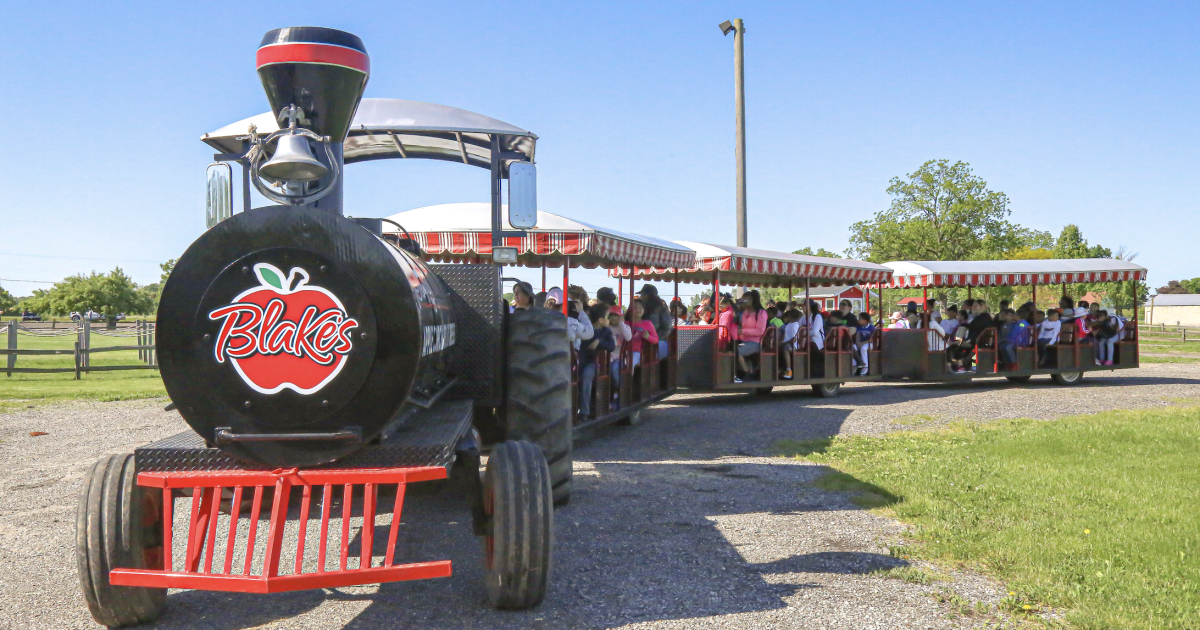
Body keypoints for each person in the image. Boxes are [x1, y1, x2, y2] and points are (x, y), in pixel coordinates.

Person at [578, 303, 616, 419]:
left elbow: (612, 346)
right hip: (581, 361)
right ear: (600, 320)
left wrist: (599, 342)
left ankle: (584, 411)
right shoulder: (584, 329)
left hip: (594, 363)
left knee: (586, 376)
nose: (609, 319)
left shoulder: (606, 331)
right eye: (608, 317)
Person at [735, 290, 768, 381]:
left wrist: (742, 331)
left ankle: (747, 373)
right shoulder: (745, 312)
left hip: (756, 342)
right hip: (744, 341)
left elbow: (760, 331)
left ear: (752, 300)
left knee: (737, 351)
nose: (742, 302)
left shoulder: (761, 313)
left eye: (744, 301)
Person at [637, 285, 672, 360]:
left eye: (641, 295)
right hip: (641, 340)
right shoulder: (640, 309)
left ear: (647, 296)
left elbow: (667, 328)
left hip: (659, 341)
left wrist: (653, 338)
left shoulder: (661, 308)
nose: (640, 297)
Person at [625, 298, 659, 368]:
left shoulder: (647, 324)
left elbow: (656, 340)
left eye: (640, 308)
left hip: (637, 352)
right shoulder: (625, 323)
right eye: (635, 307)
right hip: (624, 351)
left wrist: (648, 337)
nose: (638, 310)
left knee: (630, 363)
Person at [607, 310, 631, 401]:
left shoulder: (625, 327)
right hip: (607, 357)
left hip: (620, 357)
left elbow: (628, 337)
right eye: (611, 315)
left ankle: (617, 390)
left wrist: (621, 324)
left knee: (614, 369)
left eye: (616, 315)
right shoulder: (607, 327)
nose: (613, 318)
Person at [803, 299, 826, 377]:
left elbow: (815, 332)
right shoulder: (805, 317)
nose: (803, 308)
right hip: (808, 341)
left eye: (804, 306)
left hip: (817, 342)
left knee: (811, 350)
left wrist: (805, 333)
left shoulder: (817, 316)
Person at [780, 308, 802, 379]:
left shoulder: (795, 325)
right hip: (786, 342)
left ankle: (788, 370)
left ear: (789, 316)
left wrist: (784, 343)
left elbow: (794, 338)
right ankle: (781, 369)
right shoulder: (789, 324)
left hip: (793, 345)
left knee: (785, 348)